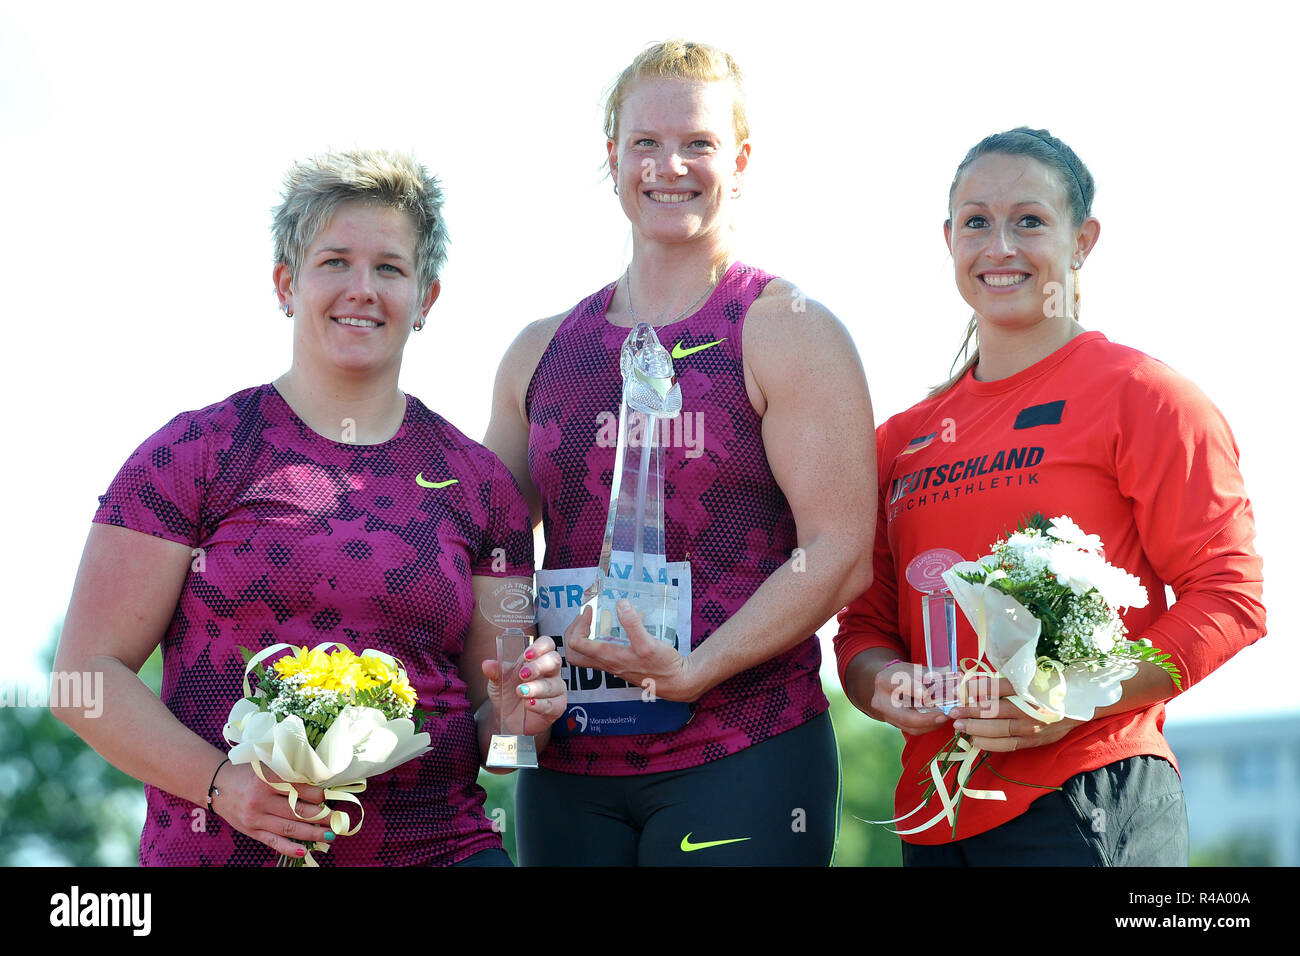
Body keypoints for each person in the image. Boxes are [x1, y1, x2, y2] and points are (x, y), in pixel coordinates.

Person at [53, 149, 566, 866]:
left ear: (426, 298)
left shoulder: (481, 488)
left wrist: (522, 722)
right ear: (285, 283)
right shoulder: (192, 454)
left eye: (389, 267)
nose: (363, 289)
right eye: (334, 262)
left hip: (441, 851)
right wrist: (221, 785)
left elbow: (500, 747)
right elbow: (85, 678)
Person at [484, 40, 876, 865]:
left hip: (741, 746)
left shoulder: (788, 330)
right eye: (646, 144)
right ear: (613, 158)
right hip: (570, 763)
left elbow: (839, 552)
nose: (671, 165)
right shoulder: (539, 350)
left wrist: (696, 667)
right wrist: (507, 699)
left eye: (697, 142)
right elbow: (494, 554)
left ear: (738, 159)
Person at [834, 128, 1266, 865]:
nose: (999, 245)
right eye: (976, 222)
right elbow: (864, 629)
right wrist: (893, 686)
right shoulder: (896, 441)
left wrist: (1072, 700)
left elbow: (1231, 597)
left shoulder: (1144, 398)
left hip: (1088, 794)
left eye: (1029, 220)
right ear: (949, 241)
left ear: (1082, 241)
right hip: (933, 814)